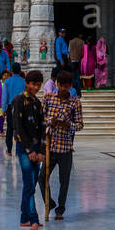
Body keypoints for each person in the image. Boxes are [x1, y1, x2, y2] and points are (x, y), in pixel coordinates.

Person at [8, 71, 46, 230]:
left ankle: (24, 218)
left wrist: (41, 151)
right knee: (30, 183)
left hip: (36, 150)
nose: (36, 88)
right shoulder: (18, 101)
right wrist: (29, 150)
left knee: (30, 184)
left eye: (39, 85)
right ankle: (33, 219)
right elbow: (18, 127)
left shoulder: (37, 103)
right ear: (27, 83)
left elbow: (43, 128)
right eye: (34, 84)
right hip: (24, 150)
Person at [44, 70, 84, 220]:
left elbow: (80, 125)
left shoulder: (75, 102)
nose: (63, 90)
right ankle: (50, 203)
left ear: (70, 86)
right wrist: (50, 121)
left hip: (66, 148)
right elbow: (41, 118)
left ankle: (60, 209)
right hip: (50, 147)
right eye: (61, 86)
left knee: (64, 181)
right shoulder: (48, 98)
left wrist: (68, 124)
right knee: (42, 178)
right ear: (57, 84)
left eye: (66, 87)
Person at [0, 68, 26, 154]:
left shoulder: (7, 82)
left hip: (11, 107)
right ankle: (20, 150)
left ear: (12, 71)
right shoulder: (24, 81)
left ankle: (9, 149)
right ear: (20, 70)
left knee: (10, 128)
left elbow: (4, 97)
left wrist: (4, 109)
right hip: (22, 106)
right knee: (21, 127)